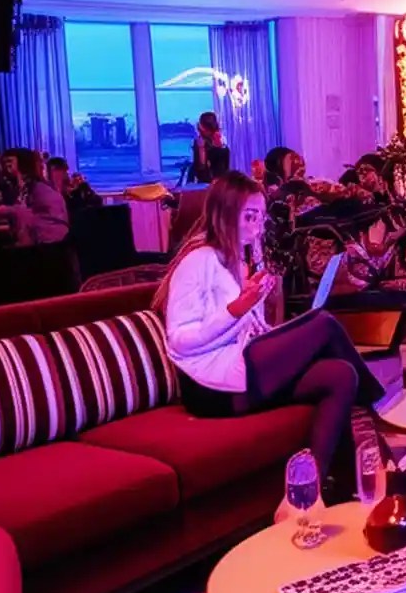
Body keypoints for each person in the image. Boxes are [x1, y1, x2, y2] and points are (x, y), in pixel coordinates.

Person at [152, 171, 386, 501]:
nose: (258, 227)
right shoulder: (198, 260)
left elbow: (245, 330)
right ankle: (379, 404)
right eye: (250, 217)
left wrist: (262, 321)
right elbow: (179, 340)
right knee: (323, 323)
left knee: (340, 374)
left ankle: (314, 495)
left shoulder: (236, 259)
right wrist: (236, 309)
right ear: (225, 214)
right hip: (208, 387)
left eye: (260, 217)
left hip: (236, 366)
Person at [0, 148, 69, 245]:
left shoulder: (36, 187)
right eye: (3, 162)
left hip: (49, 241)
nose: (6, 166)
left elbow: (26, 213)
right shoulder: (18, 187)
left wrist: (6, 210)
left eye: (9, 161)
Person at [192, 111, 230, 183]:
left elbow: (225, 164)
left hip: (219, 180)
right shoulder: (200, 141)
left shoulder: (221, 140)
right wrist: (201, 148)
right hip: (207, 180)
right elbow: (200, 168)